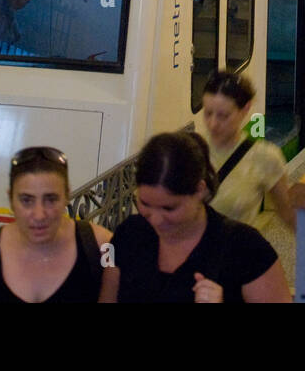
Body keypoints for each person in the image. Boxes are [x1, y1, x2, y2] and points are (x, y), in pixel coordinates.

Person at [100, 132, 291, 303]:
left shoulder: (246, 248)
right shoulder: (127, 235)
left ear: (200, 190)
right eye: (145, 204)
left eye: (169, 208)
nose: (156, 220)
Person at [0, 146, 110, 303]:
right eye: (26, 200)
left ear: (66, 196)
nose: (39, 214)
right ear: (11, 199)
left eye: (51, 199)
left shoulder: (103, 246)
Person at [200, 72, 295, 228]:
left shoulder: (265, 157)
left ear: (245, 109)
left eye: (223, 116)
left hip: (238, 251)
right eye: (208, 113)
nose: (213, 124)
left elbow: (289, 215)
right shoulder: (188, 151)